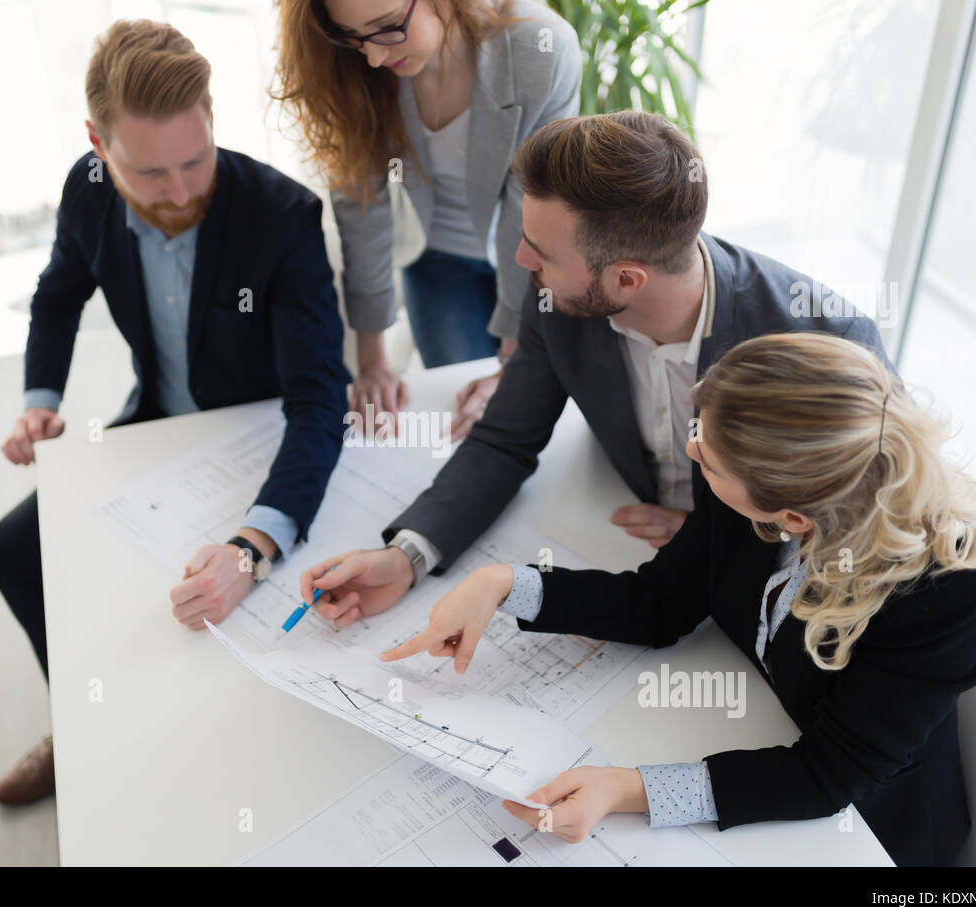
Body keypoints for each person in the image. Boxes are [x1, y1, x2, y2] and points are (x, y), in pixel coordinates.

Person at [376, 332, 976, 866]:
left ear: (792, 516)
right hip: (753, 727)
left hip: (869, 841)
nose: (691, 450)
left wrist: (628, 789)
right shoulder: (747, 483)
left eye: (707, 460)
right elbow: (659, 603)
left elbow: (825, 776)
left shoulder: (950, 599)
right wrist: (506, 584)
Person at [298, 110, 896, 623]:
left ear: (627, 279)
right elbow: (503, 441)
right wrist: (407, 555)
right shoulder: (556, 300)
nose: (520, 258)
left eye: (543, 253)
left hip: (751, 609)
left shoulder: (827, 340)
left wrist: (720, 538)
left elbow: (860, 523)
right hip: (620, 552)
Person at [0, 19, 351, 805]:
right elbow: (55, 298)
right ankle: (79, 729)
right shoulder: (85, 192)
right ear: (98, 142)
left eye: (197, 161)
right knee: (11, 549)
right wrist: (39, 402)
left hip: (266, 439)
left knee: (233, 609)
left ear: (212, 122)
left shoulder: (281, 216)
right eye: (151, 174)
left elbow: (322, 399)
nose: (182, 193)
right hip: (158, 419)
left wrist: (253, 546)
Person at [273, 0, 581, 439]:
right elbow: (364, 213)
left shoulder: (540, 48)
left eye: (386, 28)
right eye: (354, 37)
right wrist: (373, 362)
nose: (375, 58)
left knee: (522, 407)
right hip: (436, 258)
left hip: (531, 257)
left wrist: (513, 360)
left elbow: (529, 212)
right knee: (454, 410)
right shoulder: (353, 68)